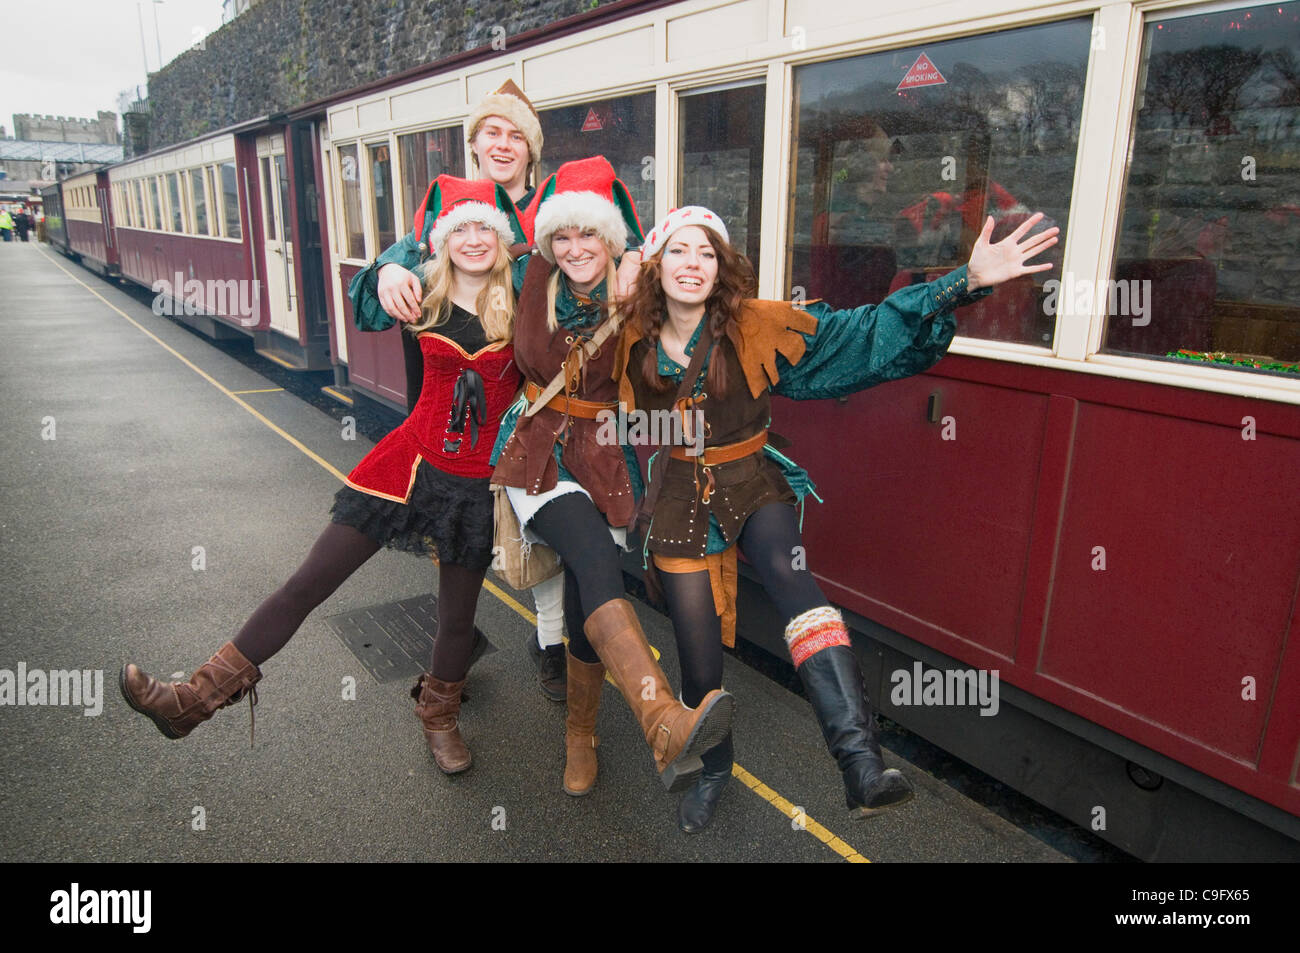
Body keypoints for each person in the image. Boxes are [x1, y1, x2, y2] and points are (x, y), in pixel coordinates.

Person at [616, 205, 1059, 831]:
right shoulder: (627, 336)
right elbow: (555, 324)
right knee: (699, 656)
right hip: (679, 497)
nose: (694, 264)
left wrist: (963, 282)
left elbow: (864, 330)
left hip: (751, 481)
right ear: (656, 264)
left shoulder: (757, 326)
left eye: (708, 253)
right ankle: (714, 770)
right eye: (680, 251)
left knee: (794, 583)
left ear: (721, 268)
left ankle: (861, 766)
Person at [123, 177, 527, 774]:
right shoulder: (417, 292)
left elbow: (580, 276)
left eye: (485, 229)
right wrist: (387, 266)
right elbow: (363, 299)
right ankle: (193, 700)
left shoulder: (522, 299)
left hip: (476, 481)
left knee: (457, 618)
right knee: (308, 583)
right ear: (441, 240)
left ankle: (440, 717)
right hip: (406, 464)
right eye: (459, 228)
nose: (473, 239)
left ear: (502, 239)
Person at [491, 157, 734, 797]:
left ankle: (581, 736)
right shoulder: (527, 272)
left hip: (604, 457)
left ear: (612, 238)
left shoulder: (638, 289)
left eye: (590, 235)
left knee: (586, 595)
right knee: (595, 554)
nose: (575, 249)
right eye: (563, 236)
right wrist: (391, 269)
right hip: (538, 450)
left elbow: (695, 283)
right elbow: (450, 242)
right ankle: (660, 718)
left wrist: (641, 267)